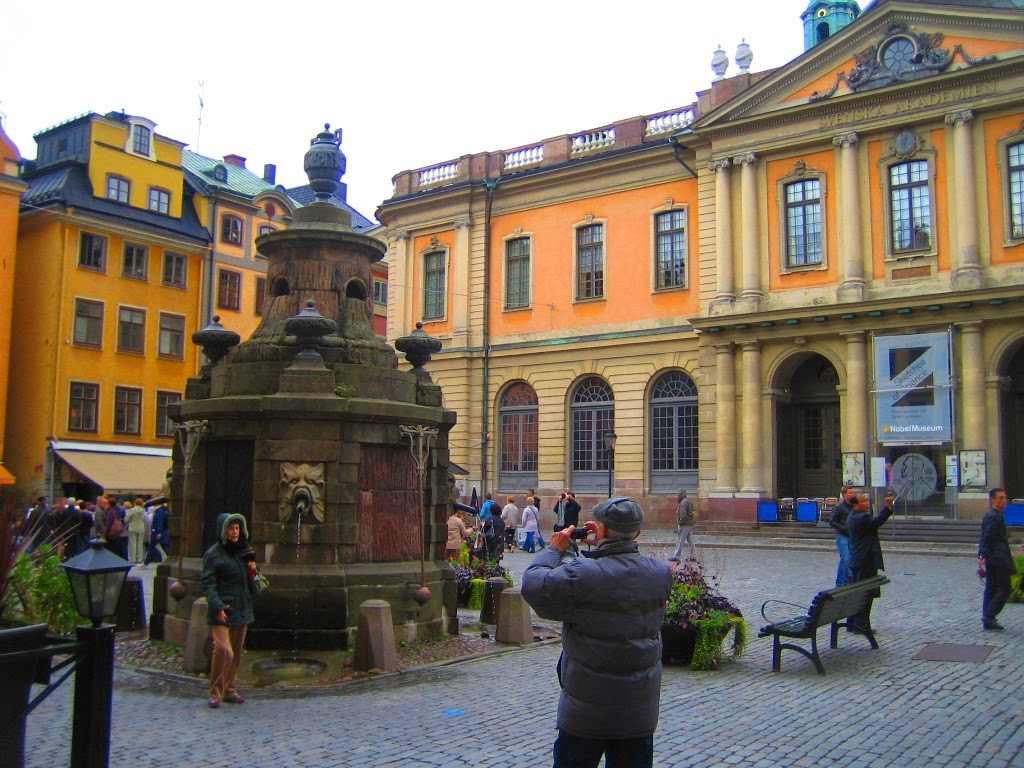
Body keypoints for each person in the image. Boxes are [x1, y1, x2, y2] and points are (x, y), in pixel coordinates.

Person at [521, 497, 673, 768]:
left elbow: (535, 585)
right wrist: (604, 546)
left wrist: (555, 549)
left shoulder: (581, 574)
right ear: (637, 532)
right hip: (638, 713)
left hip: (585, 712)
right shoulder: (660, 573)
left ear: (600, 529)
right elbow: (616, 576)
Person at [202, 513, 256, 709]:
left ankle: (230, 690)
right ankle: (215, 692)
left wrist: (253, 571)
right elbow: (208, 584)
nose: (235, 532)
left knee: (237, 652)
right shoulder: (213, 554)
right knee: (224, 650)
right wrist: (217, 606)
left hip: (242, 607)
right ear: (223, 531)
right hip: (223, 609)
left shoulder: (244, 552)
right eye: (231, 528)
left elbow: (251, 584)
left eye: (237, 528)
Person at [846, 491, 894, 634]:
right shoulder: (861, 518)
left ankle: (852, 623)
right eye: (863, 501)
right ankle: (861, 625)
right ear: (855, 505)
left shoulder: (853, 516)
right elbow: (877, 521)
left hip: (857, 560)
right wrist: (887, 507)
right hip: (865, 561)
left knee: (858, 593)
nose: (867, 504)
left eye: (867, 501)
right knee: (865, 594)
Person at [978, 488, 1014, 631]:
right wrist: (983, 554)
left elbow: (985, 537)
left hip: (992, 556)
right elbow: (988, 537)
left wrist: (983, 554)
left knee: (991, 587)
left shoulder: (992, 514)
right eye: (1000, 498)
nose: (1004, 500)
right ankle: (989, 615)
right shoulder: (994, 516)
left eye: (1005, 498)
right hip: (998, 557)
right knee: (1005, 588)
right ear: (993, 499)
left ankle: (988, 620)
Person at [829, 486, 857, 586]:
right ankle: (840, 582)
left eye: (853, 493)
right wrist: (843, 528)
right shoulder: (839, 507)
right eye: (850, 493)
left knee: (852, 559)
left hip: (853, 536)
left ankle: (849, 581)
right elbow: (832, 521)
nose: (852, 494)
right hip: (842, 536)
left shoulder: (854, 506)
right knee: (846, 558)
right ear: (844, 495)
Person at [670, 488, 697, 562]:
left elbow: (683, 515)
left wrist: (680, 524)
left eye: (677, 495)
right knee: (690, 541)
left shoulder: (683, 503)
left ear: (680, 495)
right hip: (690, 524)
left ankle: (676, 556)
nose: (676, 497)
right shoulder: (689, 501)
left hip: (684, 524)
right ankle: (693, 556)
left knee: (680, 540)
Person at [145, 502, 170, 566]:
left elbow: (159, 521)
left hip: (157, 531)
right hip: (162, 531)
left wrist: (158, 532)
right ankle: (146, 562)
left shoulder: (159, 511)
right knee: (163, 546)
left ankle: (146, 562)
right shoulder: (165, 509)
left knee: (152, 546)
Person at [125, 498, 147, 564]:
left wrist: (125, 522)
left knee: (133, 544)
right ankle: (139, 559)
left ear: (135, 503)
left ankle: (133, 559)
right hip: (141, 527)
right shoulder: (143, 510)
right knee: (140, 544)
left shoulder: (132, 510)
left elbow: (127, 519)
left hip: (133, 527)